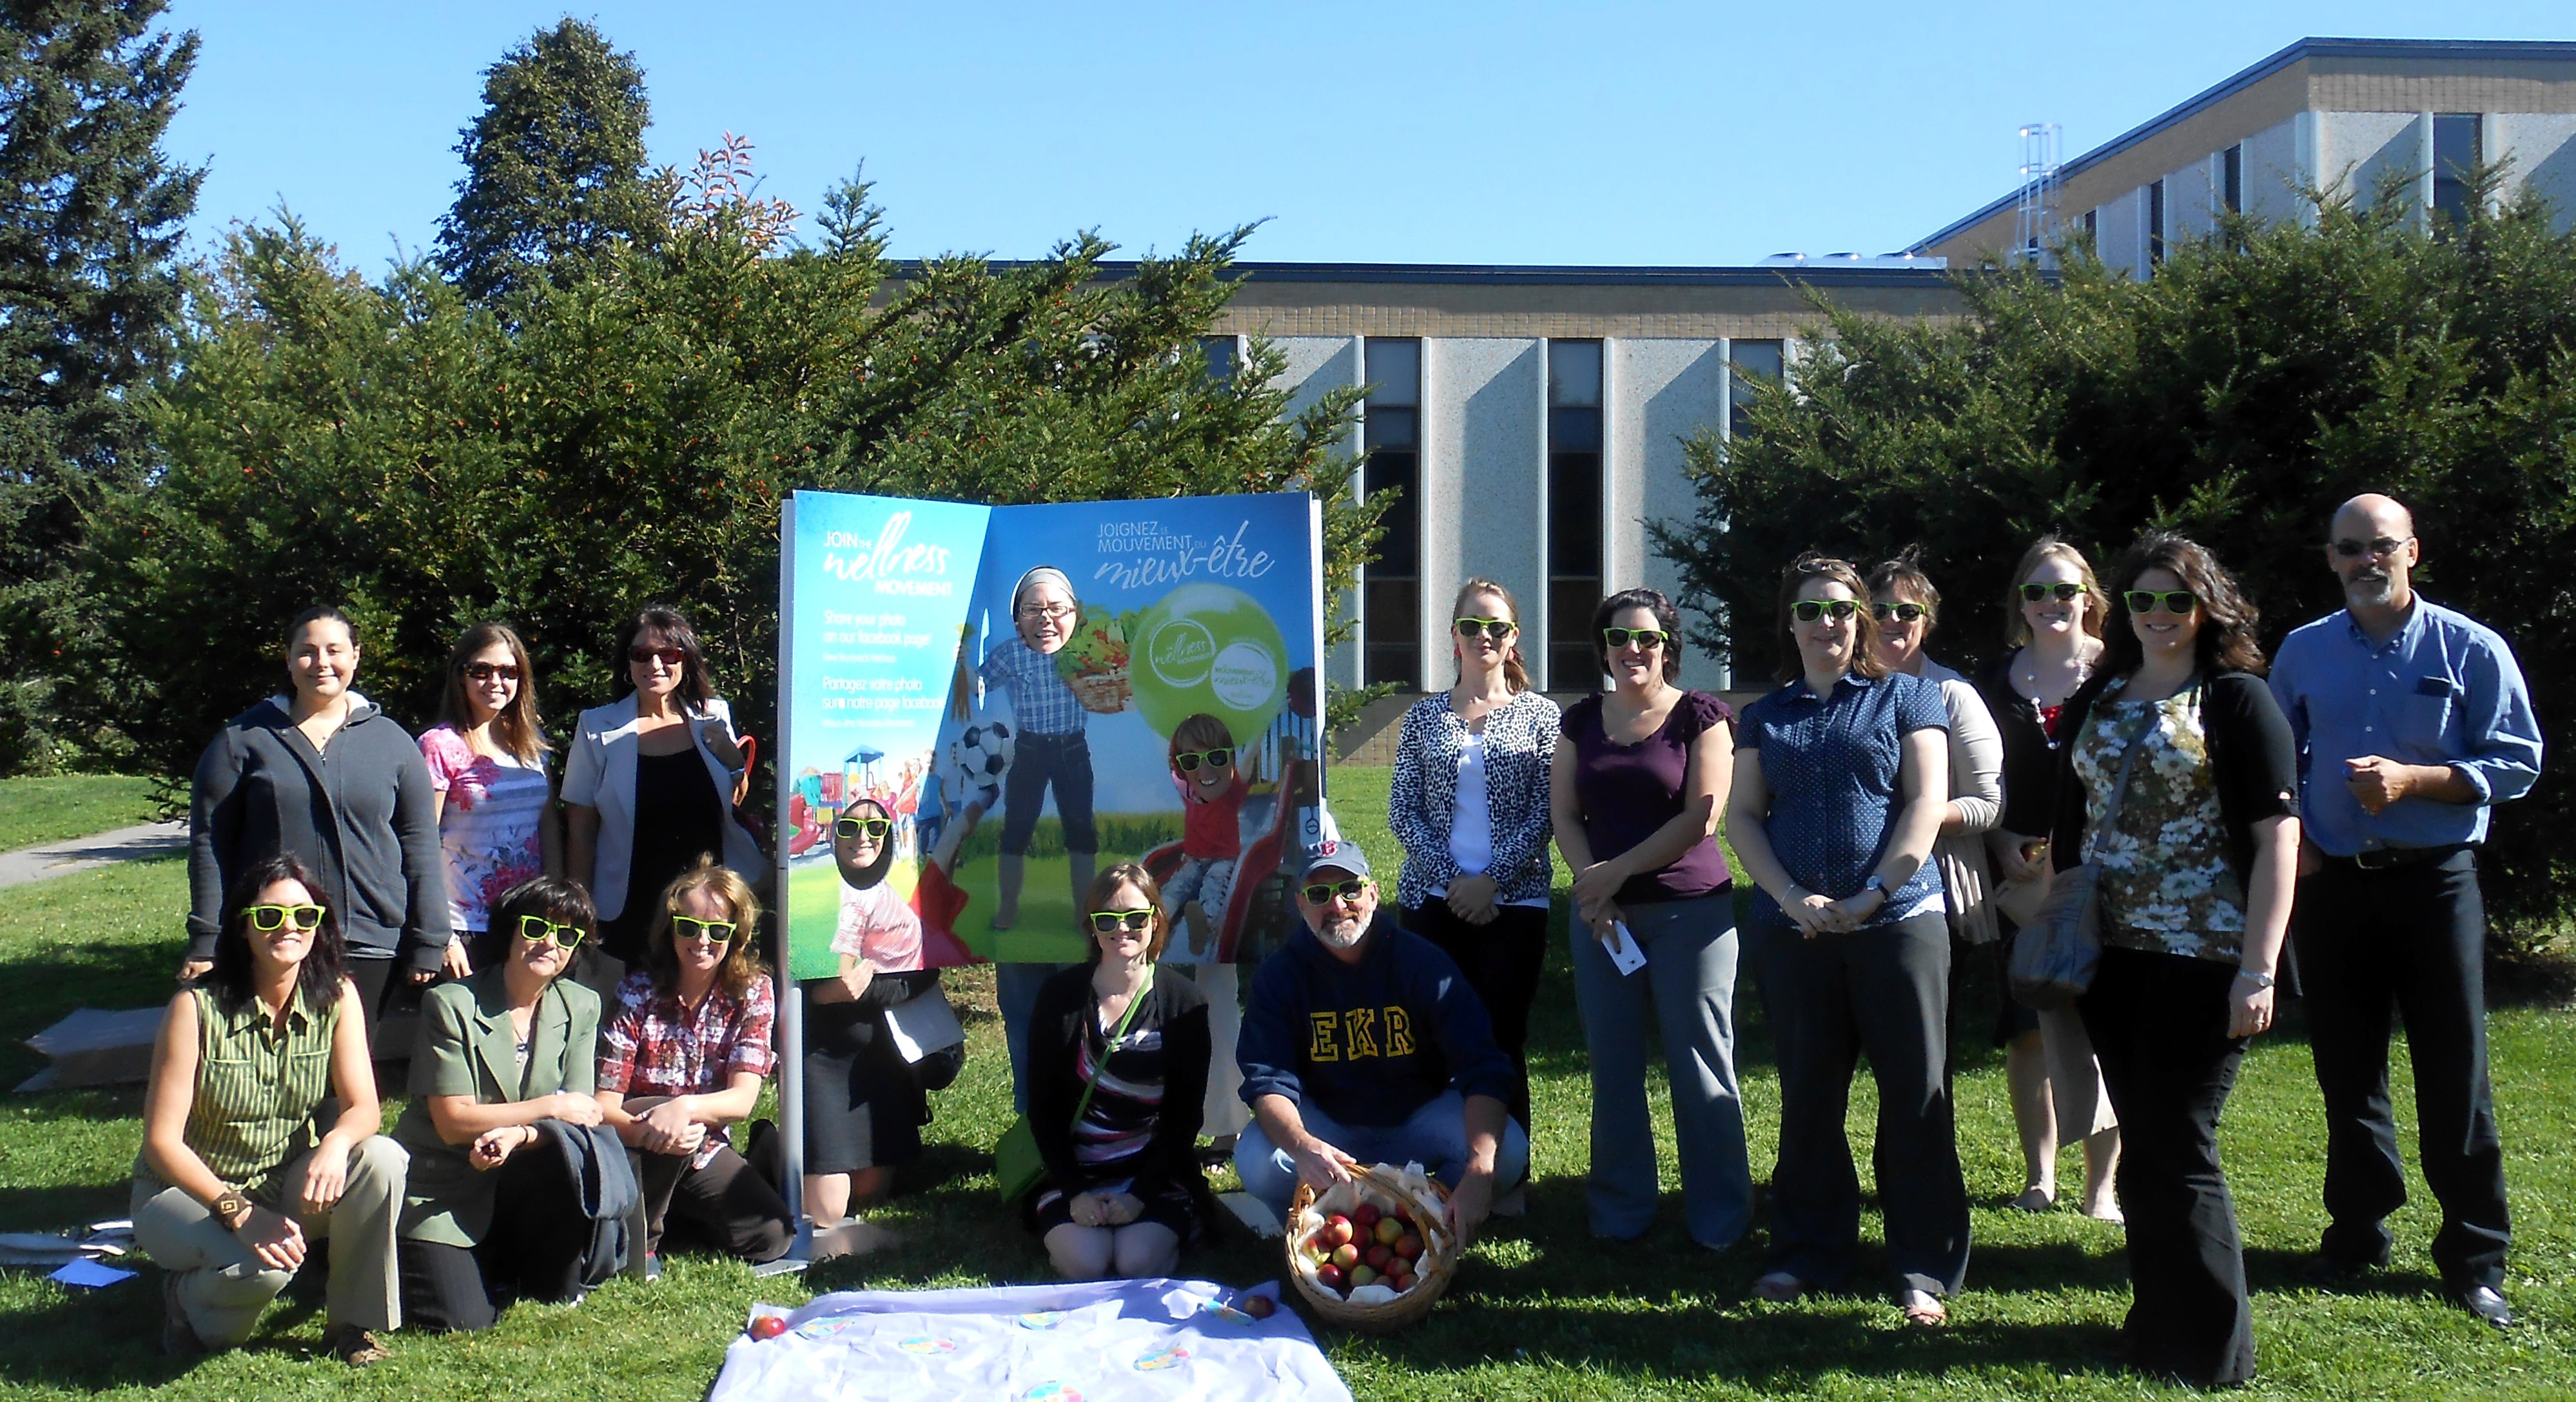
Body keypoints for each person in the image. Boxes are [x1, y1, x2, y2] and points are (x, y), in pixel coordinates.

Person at [2270, 493, 2542, 1330]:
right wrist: (2299, 841)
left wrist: (2416, 779)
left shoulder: (2468, 646)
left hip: (2436, 882)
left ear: (2412, 550)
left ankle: (2474, 1255)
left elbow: (2519, 761)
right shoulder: (2305, 650)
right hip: (2336, 885)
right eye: (2349, 548)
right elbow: (2279, 756)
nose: (2365, 560)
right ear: (2331, 557)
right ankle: (2357, 1231)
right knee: (2346, 1069)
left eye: (2380, 546)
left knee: (2453, 1070)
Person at [2051, 532, 2299, 1387]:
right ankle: (2156, 1322)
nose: (2159, 615)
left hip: (2207, 952)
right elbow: (2072, 821)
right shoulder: (2101, 695)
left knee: (2180, 1141)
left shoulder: (2236, 700)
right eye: (2144, 600)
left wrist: (2259, 968)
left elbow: (2278, 839)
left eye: (2176, 600)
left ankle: (2214, 1347)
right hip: (2111, 955)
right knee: (2147, 1147)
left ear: (2208, 608)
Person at [1728, 554, 1967, 1327]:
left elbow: (1925, 804)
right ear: (1790, 622)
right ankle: (1806, 1252)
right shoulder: (1767, 715)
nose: (1826, 623)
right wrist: (1792, 896)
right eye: (1811, 611)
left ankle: (1923, 1266)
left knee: (1915, 1096)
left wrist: (1871, 896)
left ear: (1860, 618)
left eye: (1840, 610)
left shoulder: (1910, 695)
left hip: (1899, 925)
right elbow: (1742, 818)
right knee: (1808, 1098)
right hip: (1794, 932)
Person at [135, 851, 407, 1365]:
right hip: (185, 1192)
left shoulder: (338, 996)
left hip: (279, 1182)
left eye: (305, 916)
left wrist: (335, 1143)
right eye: (269, 916)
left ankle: (350, 1325)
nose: (290, 928)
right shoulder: (195, 1008)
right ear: (243, 928)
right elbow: (162, 1142)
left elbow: (364, 1107)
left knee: (381, 1157)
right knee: (247, 1298)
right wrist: (238, 1212)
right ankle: (182, 1297)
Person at [1548, 587, 1749, 1249]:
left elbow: (1704, 815)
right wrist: (1591, 889)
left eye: (1646, 639)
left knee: (1701, 1066)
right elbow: (1564, 816)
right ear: (1602, 648)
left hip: (1692, 916)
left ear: (1668, 646)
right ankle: (1620, 1213)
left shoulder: (1701, 715)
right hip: (1604, 918)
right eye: (1617, 638)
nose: (1632, 650)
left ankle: (1720, 1220)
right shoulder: (1579, 721)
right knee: (1613, 1066)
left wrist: (1615, 873)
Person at [1233, 836, 1529, 1244]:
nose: (1336, 906)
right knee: (1256, 1160)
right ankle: (1323, 1225)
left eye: (1349, 890)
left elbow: (1484, 1067)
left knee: (1507, 1150)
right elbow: (1267, 1081)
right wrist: (1302, 1146)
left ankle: (1433, 1213)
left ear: (1373, 894)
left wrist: (1479, 1169)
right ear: (1301, 904)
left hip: (1417, 1116)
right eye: (1319, 894)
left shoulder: (1423, 963)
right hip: (1329, 1124)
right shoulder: (1280, 976)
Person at [184, 606, 453, 1044]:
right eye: (307, 652)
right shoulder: (243, 739)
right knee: (278, 1063)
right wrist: (207, 936)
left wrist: (429, 937)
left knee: (347, 1075)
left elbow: (420, 843)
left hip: (370, 938)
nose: (322, 662)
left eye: (334, 650)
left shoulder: (392, 742)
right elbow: (209, 843)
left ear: (356, 657)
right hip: (275, 934)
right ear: (288, 661)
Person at [1976, 539, 2123, 1220]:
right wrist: (1998, 839)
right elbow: (1973, 778)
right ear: (2020, 604)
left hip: (2105, 873)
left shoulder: (2119, 674)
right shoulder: (1996, 679)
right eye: (2036, 592)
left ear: (2089, 599)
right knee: (2029, 1023)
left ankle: (2103, 1187)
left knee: (2102, 1022)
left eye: (2064, 591)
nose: (2051, 604)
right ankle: (2041, 1177)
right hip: (2022, 876)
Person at [1389, 579, 1559, 1162]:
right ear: (1453, 635)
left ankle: (1506, 1171)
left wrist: (1494, 879)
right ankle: (1433, 1167)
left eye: (1496, 627)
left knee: (1502, 1037)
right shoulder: (1423, 716)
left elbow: (1548, 810)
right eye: (1470, 625)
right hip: (1432, 902)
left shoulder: (1541, 715)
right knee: (1431, 1036)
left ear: (1514, 639)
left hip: (1517, 903)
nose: (1482, 636)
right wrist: (1455, 882)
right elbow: (1402, 810)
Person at [394, 877, 610, 1331]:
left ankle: (503, 1259)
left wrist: (520, 1134)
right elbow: (454, 1122)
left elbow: (582, 1113)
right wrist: (548, 1107)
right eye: (536, 927)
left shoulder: (583, 1005)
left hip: (525, 1175)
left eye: (567, 935)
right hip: (444, 1185)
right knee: (463, 1322)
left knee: (554, 1292)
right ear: (510, 930)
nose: (550, 942)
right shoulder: (450, 1004)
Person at [596, 861, 792, 1269]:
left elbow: (741, 1101)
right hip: (636, 1143)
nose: (702, 940)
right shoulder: (637, 993)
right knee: (675, 1129)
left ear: (735, 937)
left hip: (704, 1146)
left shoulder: (754, 993)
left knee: (772, 1236)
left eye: (718, 930)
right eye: (689, 927)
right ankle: (644, 1243)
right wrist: (654, 1128)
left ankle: (691, 1205)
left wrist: (683, 1108)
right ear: (670, 930)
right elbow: (604, 1104)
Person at [1025, 864, 1215, 1280]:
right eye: (1107, 919)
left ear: (1156, 920)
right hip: (1075, 1170)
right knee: (1087, 1263)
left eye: (1135, 917)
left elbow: (1184, 1118)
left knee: (1136, 1262)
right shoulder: (1060, 998)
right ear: (1092, 927)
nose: (1122, 929)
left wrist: (1141, 1195)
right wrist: (1075, 1193)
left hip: (1153, 1172)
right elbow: (1043, 1109)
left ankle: (1168, 1227)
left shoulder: (1185, 1002)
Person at [563, 605, 761, 970]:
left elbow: (736, 793)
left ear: (685, 660)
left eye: (668, 654)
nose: (655, 664)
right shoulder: (595, 728)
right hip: (629, 908)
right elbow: (581, 830)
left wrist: (734, 763)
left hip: (709, 914)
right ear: (628, 663)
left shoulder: (713, 718)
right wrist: (579, 909)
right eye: (642, 654)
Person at [977, 566, 1098, 1115]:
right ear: (1017, 616)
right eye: (1033, 608)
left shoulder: (1089, 651)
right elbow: (978, 680)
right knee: (1016, 831)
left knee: (1081, 833)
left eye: (1057, 608)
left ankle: (1082, 908)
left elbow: (1122, 687)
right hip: (1028, 748)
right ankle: (1007, 904)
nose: (1046, 618)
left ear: (1075, 613)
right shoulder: (1009, 654)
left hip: (1073, 748)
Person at [800, 795, 937, 1261]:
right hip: (823, 1054)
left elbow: (924, 973)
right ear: (831, 834)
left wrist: (861, 990)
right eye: (850, 827)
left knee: (872, 1191)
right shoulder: (804, 895)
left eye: (875, 828)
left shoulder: (905, 891)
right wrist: (825, 994)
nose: (863, 837)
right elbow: (791, 984)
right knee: (827, 1209)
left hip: (881, 1053)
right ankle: (770, 1148)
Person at [419, 623, 560, 971]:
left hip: (527, 923)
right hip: (463, 928)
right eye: (481, 671)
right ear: (461, 676)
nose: (495, 682)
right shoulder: (438, 746)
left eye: (508, 672)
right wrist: (441, 936)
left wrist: (556, 906)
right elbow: (421, 842)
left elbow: (548, 825)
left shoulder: (532, 743)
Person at [1158, 712, 1253, 1141]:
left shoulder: (1232, 789)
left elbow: (1247, 761)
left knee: (1214, 890)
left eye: (1216, 758)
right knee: (1178, 885)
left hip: (1225, 860)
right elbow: (1171, 761)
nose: (1206, 769)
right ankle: (1161, 916)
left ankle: (1203, 924)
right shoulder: (1190, 790)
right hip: (1193, 858)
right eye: (1193, 761)